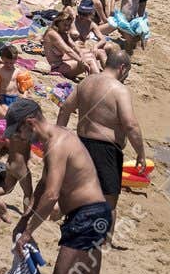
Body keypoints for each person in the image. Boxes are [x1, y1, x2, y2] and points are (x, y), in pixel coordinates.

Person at [5, 97, 112, 274]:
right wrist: (23, 222)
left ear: (30, 123)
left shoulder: (57, 144)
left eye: (19, 132)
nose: (19, 138)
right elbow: (43, 186)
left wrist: (28, 232)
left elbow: (52, 195)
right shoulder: (52, 141)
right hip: (95, 216)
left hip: (87, 217)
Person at [56, 47, 146, 235]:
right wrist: (140, 153)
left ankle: (72, 227)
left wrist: (61, 135)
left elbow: (65, 108)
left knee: (80, 189)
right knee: (109, 201)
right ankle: (104, 241)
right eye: (127, 72)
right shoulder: (119, 90)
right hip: (105, 149)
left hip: (81, 144)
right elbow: (130, 125)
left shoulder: (86, 82)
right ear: (122, 68)